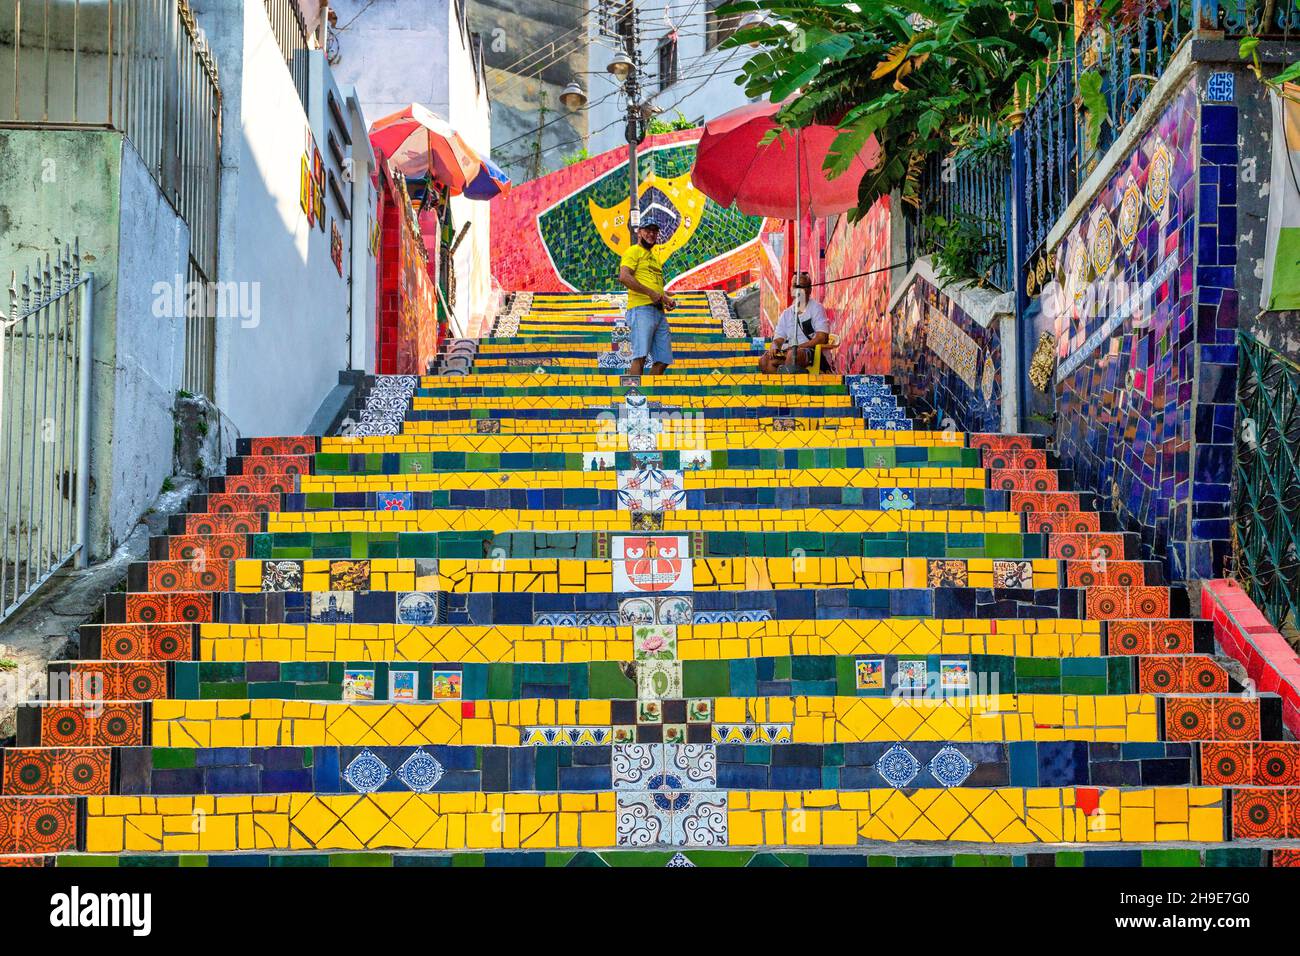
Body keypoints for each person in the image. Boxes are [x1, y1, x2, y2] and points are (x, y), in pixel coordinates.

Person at [619, 217, 676, 376]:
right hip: (641, 310)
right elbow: (624, 277)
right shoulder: (633, 251)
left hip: (659, 312)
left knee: (663, 359)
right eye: (647, 230)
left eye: (654, 231)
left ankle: (649, 394)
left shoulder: (655, 259)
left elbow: (655, 288)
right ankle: (634, 396)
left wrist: (666, 299)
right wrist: (650, 293)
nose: (651, 234)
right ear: (639, 232)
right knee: (640, 357)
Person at [759, 272, 830, 373]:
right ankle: (779, 386)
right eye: (795, 286)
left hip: (809, 352)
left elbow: (822, 337)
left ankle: (792, 386)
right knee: (765, 361)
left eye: (801, 286)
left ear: (810, 290)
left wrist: (798, 347)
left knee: (793, 355)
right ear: (791, 289)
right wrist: (774, 347)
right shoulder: (786, 314)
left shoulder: (816, 308)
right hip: (789, 352)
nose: (798, 290)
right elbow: (778, 339)